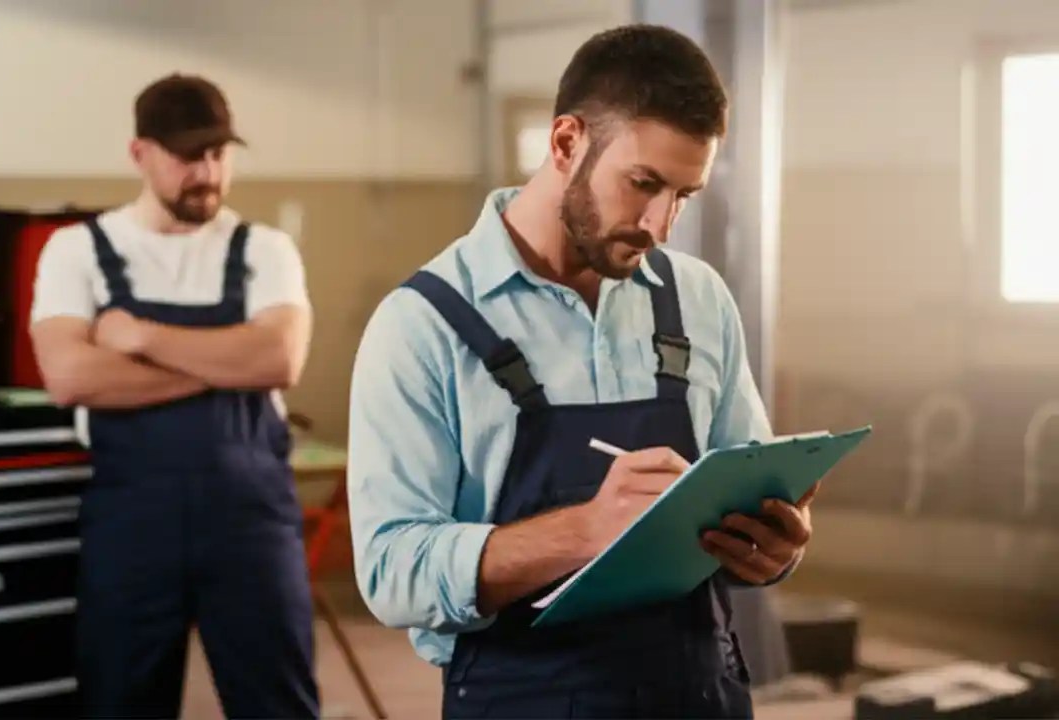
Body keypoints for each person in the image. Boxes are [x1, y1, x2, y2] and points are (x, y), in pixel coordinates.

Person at [347, 25, 816, 719]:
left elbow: (748, 481)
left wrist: (775, 546)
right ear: (566, 142)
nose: (661, 224)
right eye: (644, 184)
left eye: (685, 195)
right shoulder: (422, 325)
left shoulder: (698, 298)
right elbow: (391, 573)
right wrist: (586, 531)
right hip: (523, 699)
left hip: (699, 690)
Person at [30, 73, 318, 719]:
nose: (207, 171)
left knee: (279, 705)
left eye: (218, 153)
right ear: (141, 154)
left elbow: (279, 358)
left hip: (251, 521)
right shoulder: (77, 250)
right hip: (133, 521)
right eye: (188, 155)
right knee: (121, 703)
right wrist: (225, 361)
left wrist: (141, 337)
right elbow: (70, 377)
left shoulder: (264, 250)